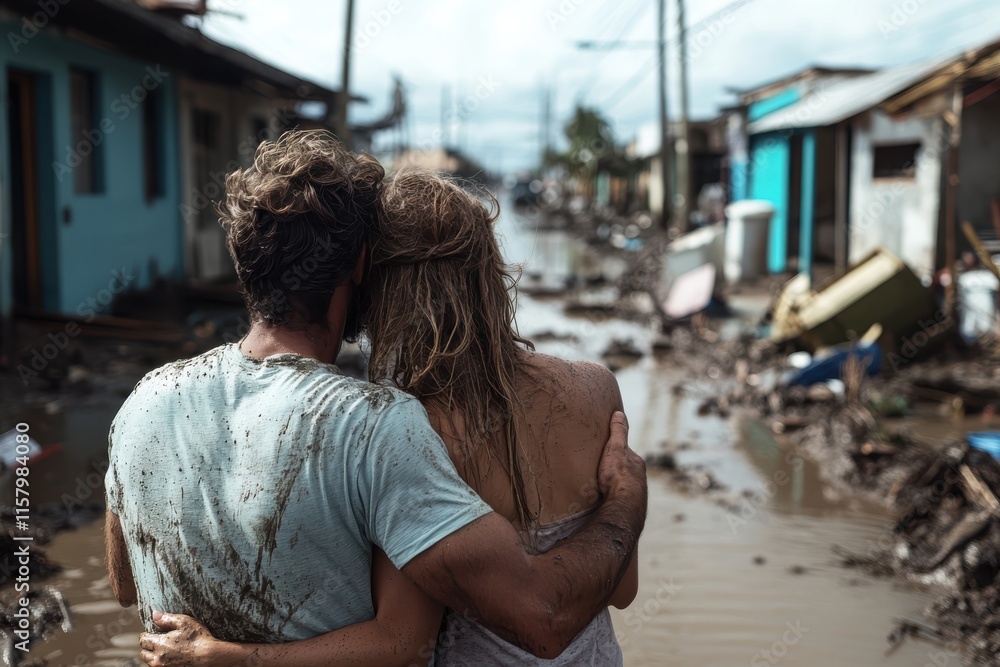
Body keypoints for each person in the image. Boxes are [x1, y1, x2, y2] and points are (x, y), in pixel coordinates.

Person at [105, 131, 646, 666]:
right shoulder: (375, 428)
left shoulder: (143, 401)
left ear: (242, 260)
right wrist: (626, 501)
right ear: (361, 266)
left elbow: (126, 585)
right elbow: (418, 641)